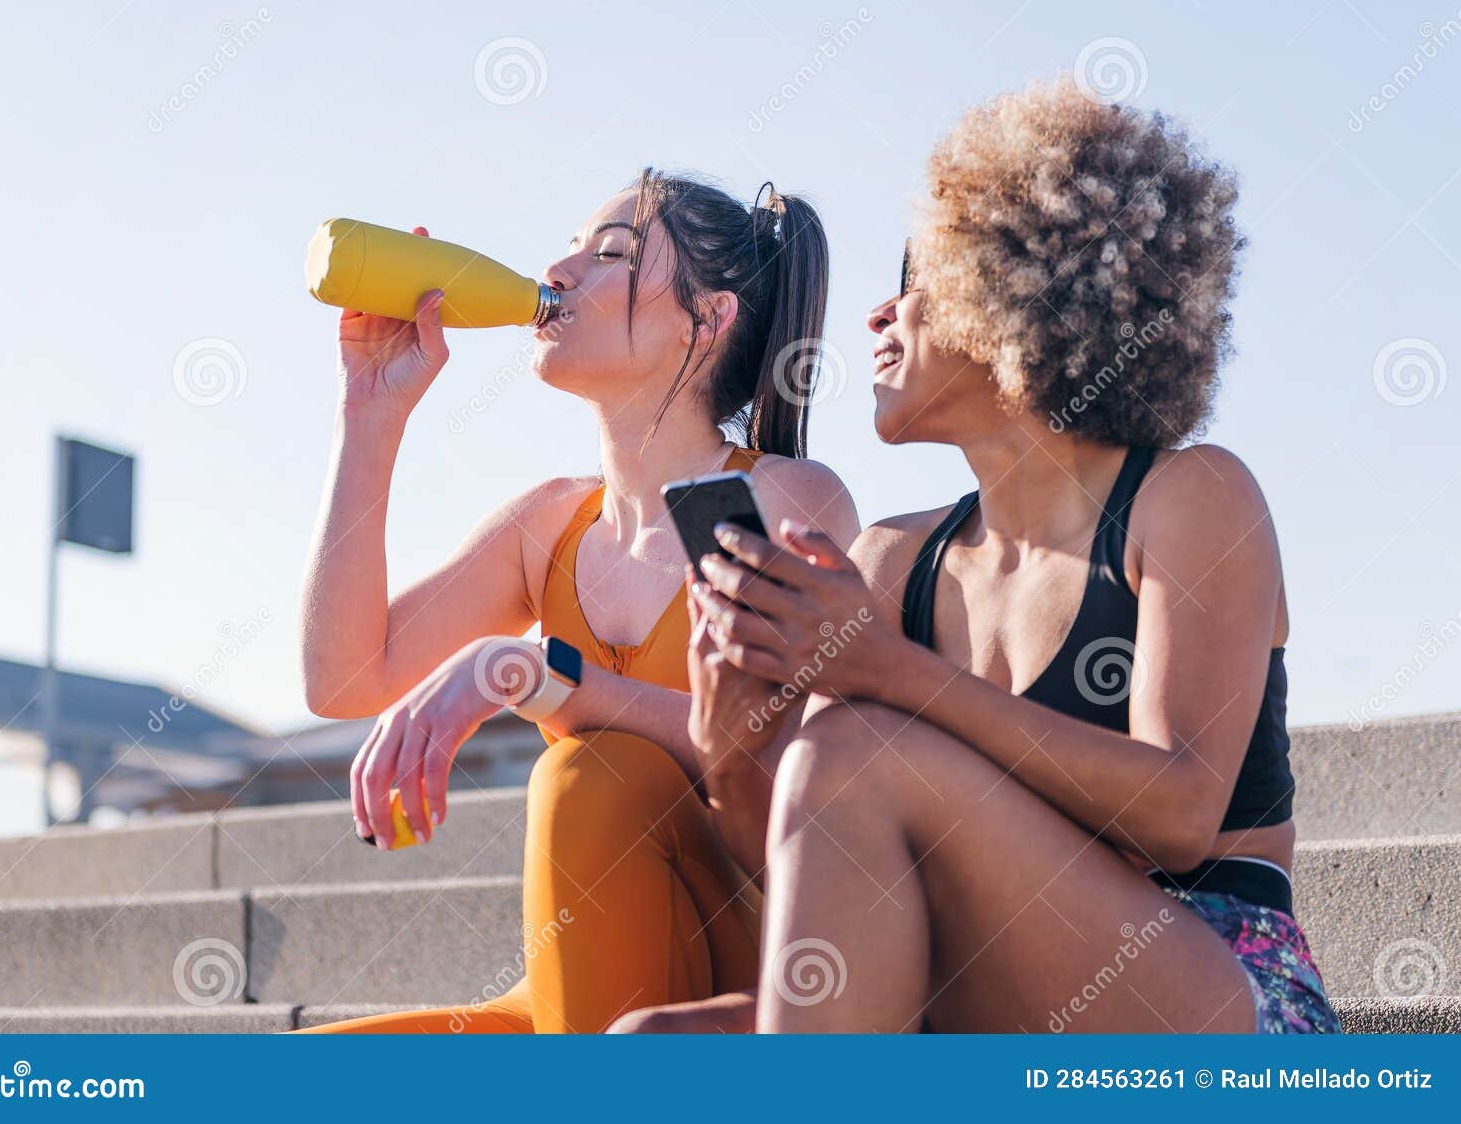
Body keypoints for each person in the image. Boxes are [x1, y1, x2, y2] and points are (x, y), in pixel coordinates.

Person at [666, 79, 1339, 1033]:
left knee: (856, 746)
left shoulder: (1192, 494)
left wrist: (889, 671)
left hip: (1222, 992)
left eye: (916, 273)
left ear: (1019, 288)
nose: (879, 313)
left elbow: (1182, 811)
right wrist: (729, 742)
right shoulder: (894, 558)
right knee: (654, 1044)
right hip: (984, 997)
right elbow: (824, 889)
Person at [294, 170, 859, 1033]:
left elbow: (778, 753)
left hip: (733, 988)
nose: (557, 271)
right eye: (569, 248)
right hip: (569, 997)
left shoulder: (771, 497)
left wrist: (539, 675)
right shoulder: (550, 522)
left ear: (707, 319)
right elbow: (343, 677)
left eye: (612, 254)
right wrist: (370, 414)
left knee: (587, 775)